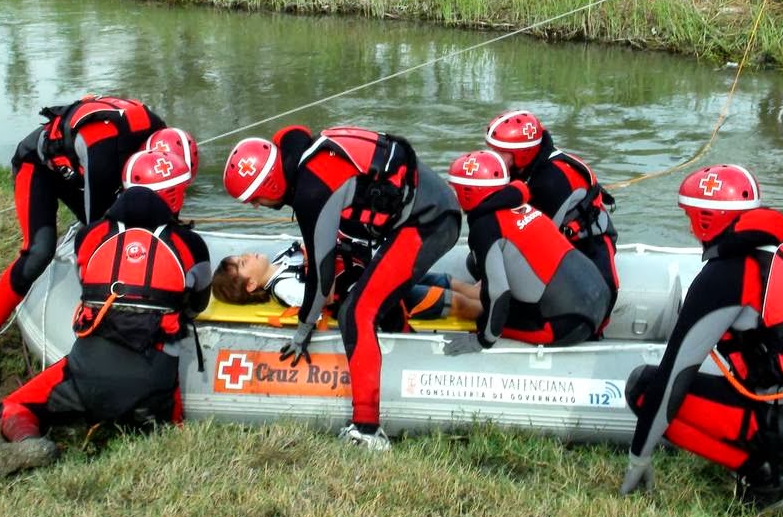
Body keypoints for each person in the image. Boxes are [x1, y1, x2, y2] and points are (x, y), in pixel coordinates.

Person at [619, 165, 783, 513]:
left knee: (644, 386)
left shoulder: (725, 274)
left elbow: (672, 379)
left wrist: (639, 458)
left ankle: (768, 480)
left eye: (690, 217)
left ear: (704, 220)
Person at [0, 149, 211, 482]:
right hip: (152, 386)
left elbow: (89, 287)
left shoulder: (89, 236)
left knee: (16, 404)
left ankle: (27, 439)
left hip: (86, 376)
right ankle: (159, 428)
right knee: (167, 403)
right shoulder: (190, 244)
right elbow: (198, 304)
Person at [223, 125, 460, 450]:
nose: (256, 206)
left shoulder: (310, 192)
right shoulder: (297, 152)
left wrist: (303, 330)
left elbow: (321, 284)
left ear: (270, 183)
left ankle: (367, 430)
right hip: (424, 206)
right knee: (373, 293)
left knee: (356, 312)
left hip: (430, 222)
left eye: (255, 198)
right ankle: (403, 349)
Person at [0, 97, 174, 391]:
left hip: (83, 162)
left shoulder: (159, 135)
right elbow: (94, 239)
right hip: (40, 167)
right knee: (39, 251)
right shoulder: (102, 157)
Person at [441, 150, 611, 354]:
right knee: (488, 298)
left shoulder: (486, 228)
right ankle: (442, 283)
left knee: (482, 314)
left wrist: (483, 341)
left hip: (566, 327)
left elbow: (499, 294)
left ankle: (435, 293)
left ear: (468, 192)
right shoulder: (520, 204)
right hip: (596, 304)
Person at [484, 110, 619, 323]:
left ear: (523, 153)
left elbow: (532, 238)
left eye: (500, 152)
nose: (493, 158)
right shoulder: (528, 166)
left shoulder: (551, 182)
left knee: (591, 311)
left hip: (588, 248)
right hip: (558, 237)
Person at [210, 240, 482, 328]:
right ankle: (494, 315)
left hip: (377, 272)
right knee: (453, 301)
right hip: (377, 294)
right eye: (243, 263)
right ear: (251, 285)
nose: (247, 255)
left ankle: (488, 294)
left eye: (241, 256)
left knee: (444, 280)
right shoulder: (284, 287)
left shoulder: (282, 258)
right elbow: (317, 305)